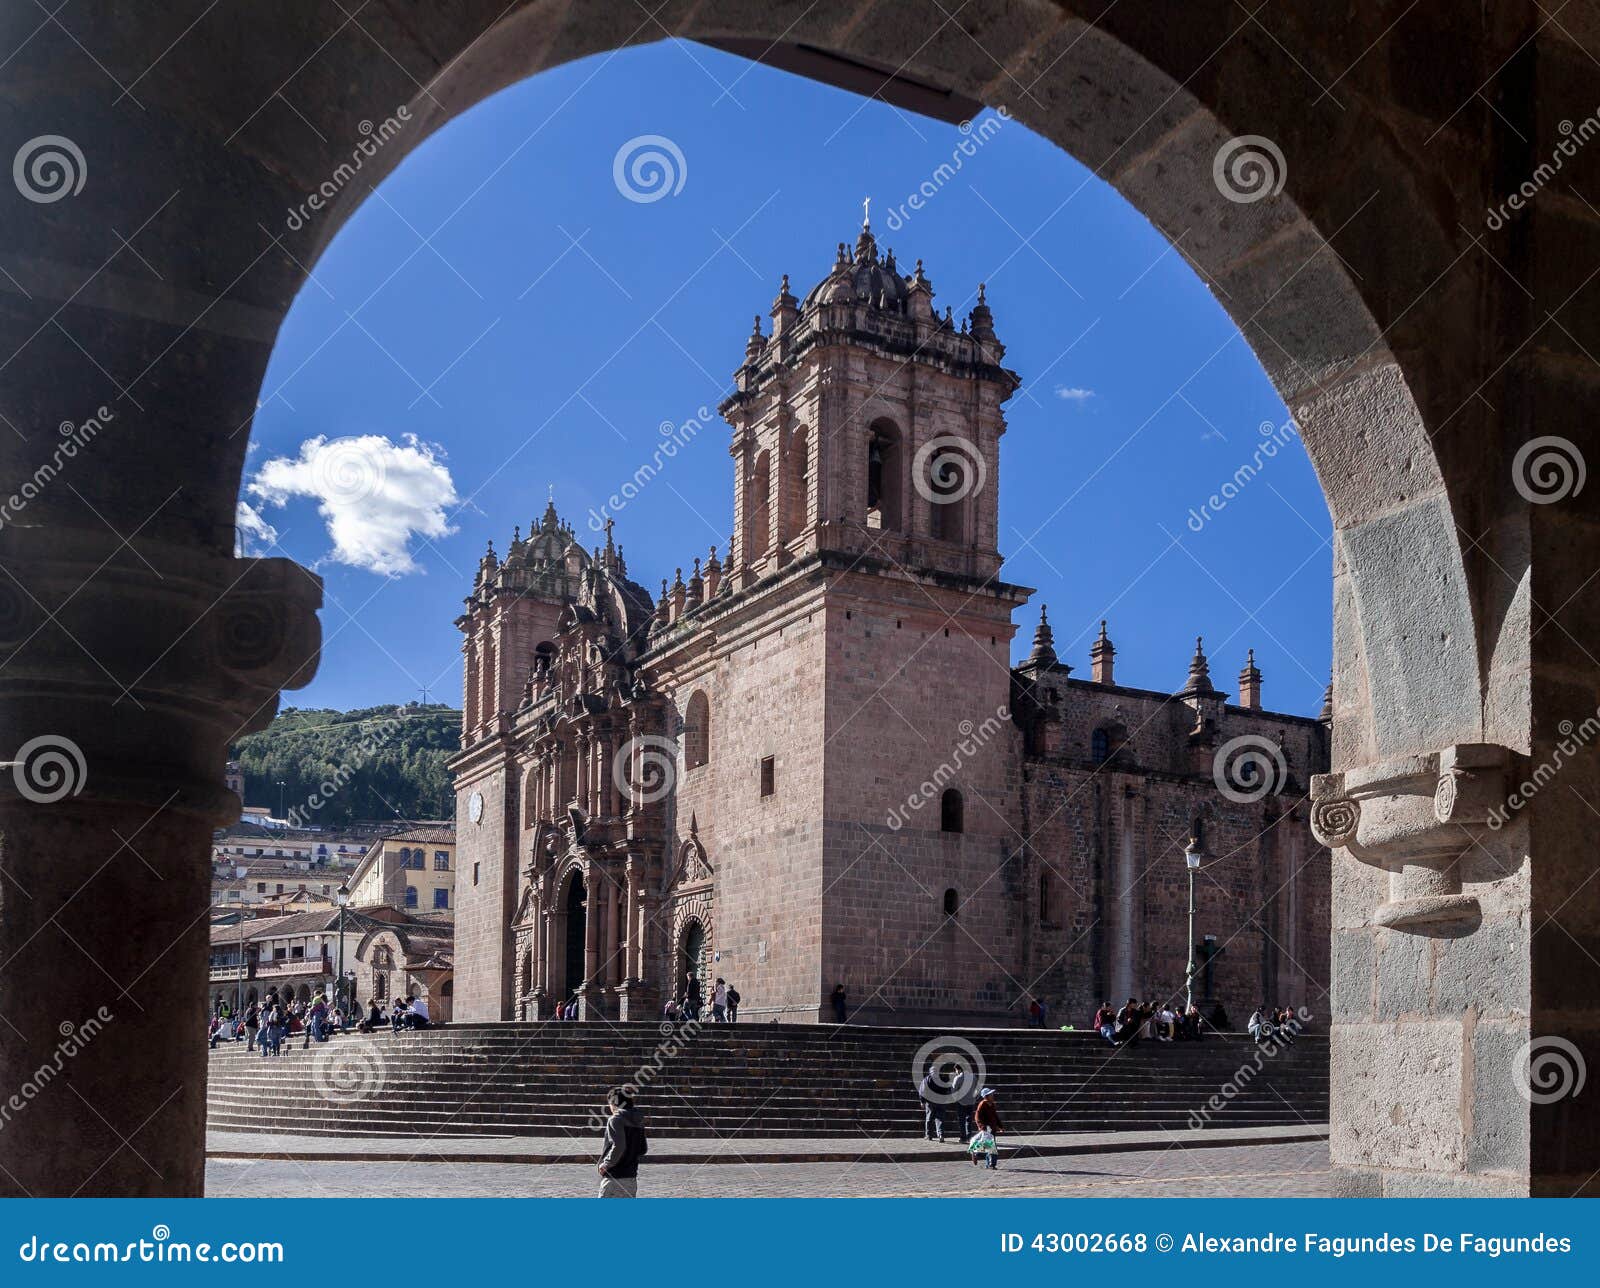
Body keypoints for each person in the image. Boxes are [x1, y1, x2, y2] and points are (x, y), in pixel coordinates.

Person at [596, 1087, 648, 1198]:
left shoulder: (615, 1120)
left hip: (613, 1177)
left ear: (614, 1103)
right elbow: (643, 1149)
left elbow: (619, 1146)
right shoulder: (639, 1121)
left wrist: (606, 1164)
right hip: (631, 1177)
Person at [970, 1086, 1004, 1170]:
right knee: (991, 1146)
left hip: (992, 1129)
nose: (992, 1096)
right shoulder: (982, 1105)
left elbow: (995, 1116)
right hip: (986, 1129)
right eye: (990, 1095)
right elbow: (977, 1117)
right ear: (986, 1097)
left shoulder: (992, 1105)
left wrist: (1000, 1126)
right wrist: (982, 1127)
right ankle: (991, 1164)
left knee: (988, 1146)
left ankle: (978, 1155)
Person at [950, 1065, 980, 1143]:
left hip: (961, 1102)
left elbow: (953, 1090)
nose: (955, 1072)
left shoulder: (958, 1078)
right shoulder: (973, 1077)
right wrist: (975, 1098)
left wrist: (956, 1099)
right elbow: (978, 1088)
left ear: (959, 1069)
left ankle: (963, 1137)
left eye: (956, 1070)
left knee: (961, 1120)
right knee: (969, 1120)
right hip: (971, 1102)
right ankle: (969, 1137)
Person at [917, 1065, 946, 1142]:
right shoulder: (942, 1079)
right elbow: (947, 1090)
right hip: (941, 1101)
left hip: (930, 1102)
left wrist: (922, 1101)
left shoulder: (926, 1079)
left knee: (929, 1118)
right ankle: (941, 1135)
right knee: (940, 1119)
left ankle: (929, 1135)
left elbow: (922, 1091)